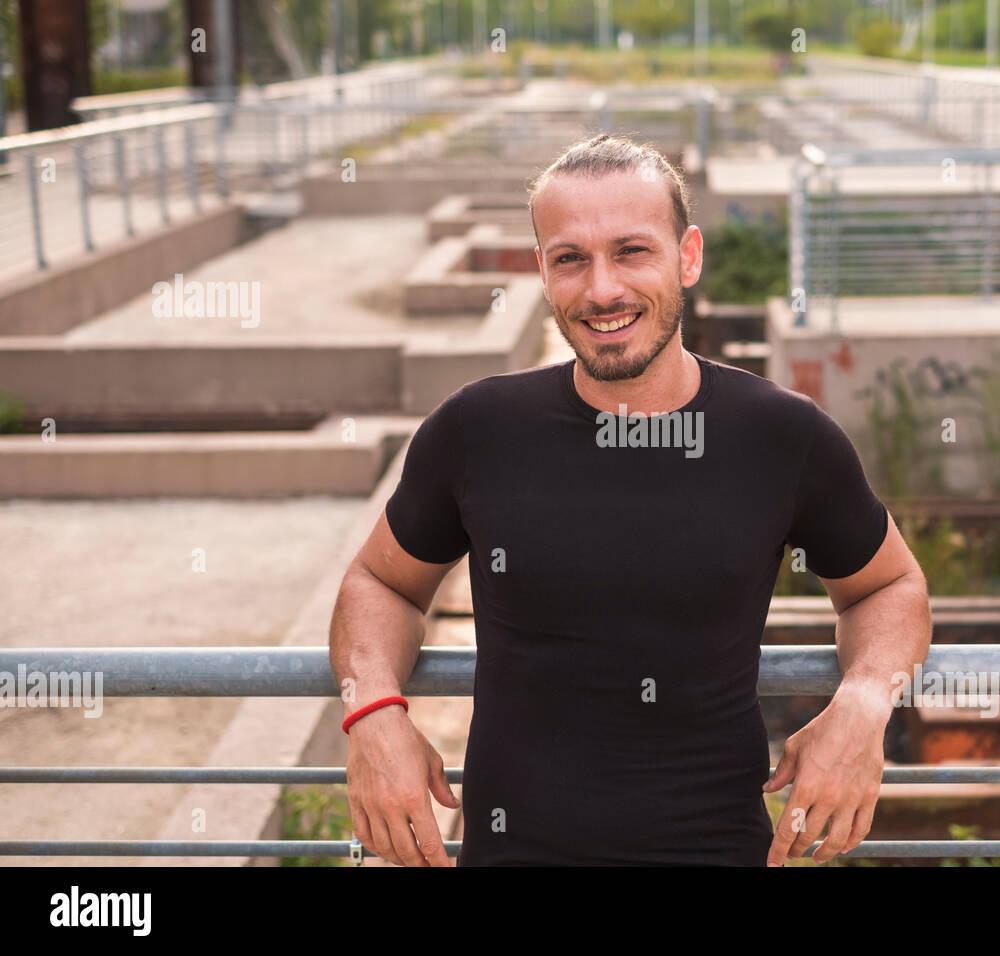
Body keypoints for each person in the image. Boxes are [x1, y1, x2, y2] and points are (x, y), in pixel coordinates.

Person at [328, 134, 932, 867]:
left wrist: (867, 701)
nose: (602, 289)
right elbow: (379, 581)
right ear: (543, 274)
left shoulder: (781, 434)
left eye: (632, 251)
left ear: (689, 256)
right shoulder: (477, 428)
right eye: (570, 259)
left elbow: (890, 586)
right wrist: (373, 710)